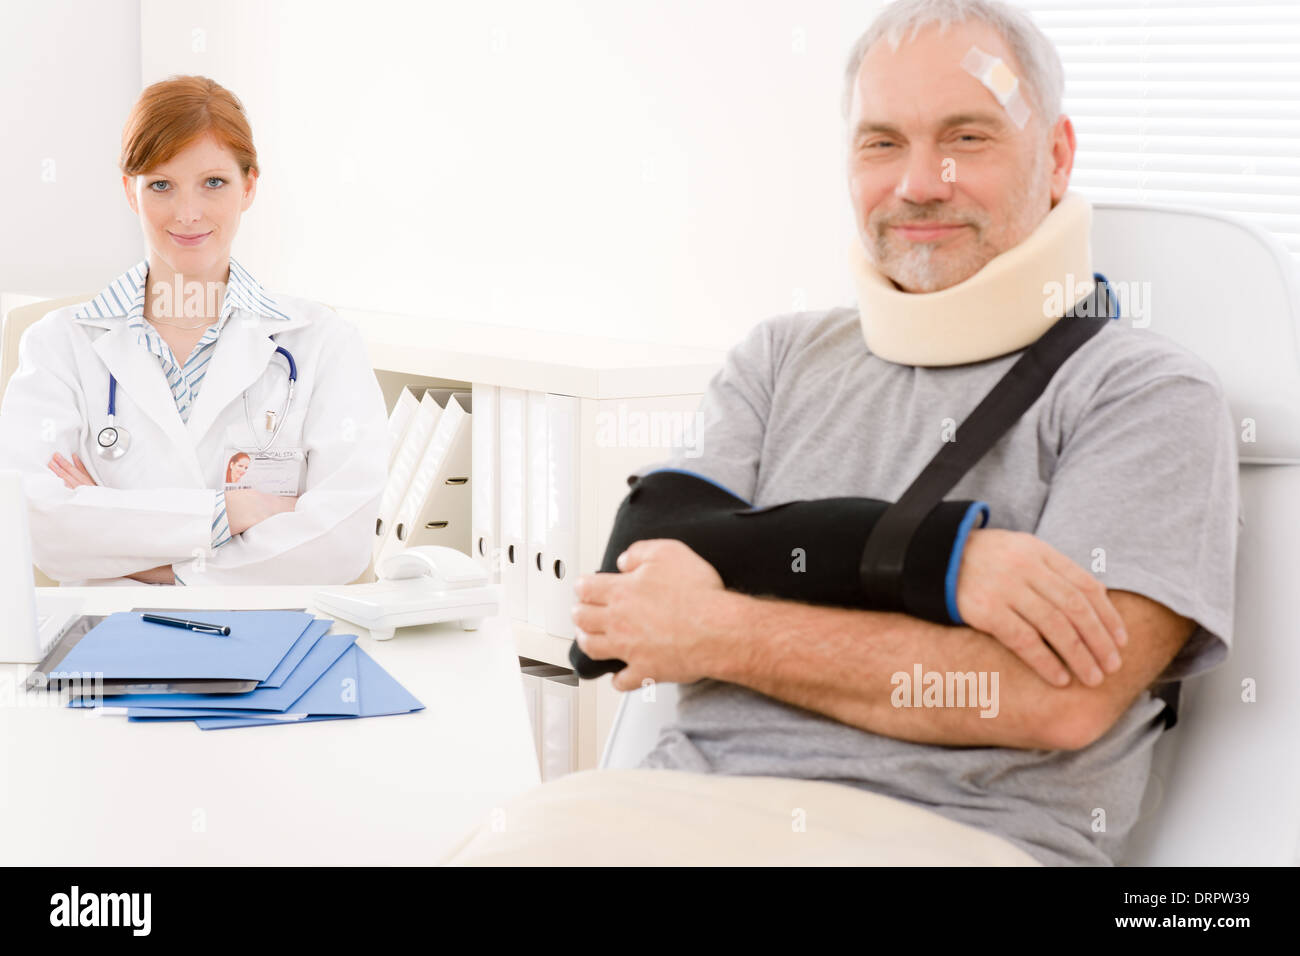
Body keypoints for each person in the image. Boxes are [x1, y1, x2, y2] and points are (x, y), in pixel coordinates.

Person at [444, 0, 1240, 866]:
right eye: (882, 142)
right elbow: (632, 581)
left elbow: (1055, 702)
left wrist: (714, 627)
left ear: (1054, 156)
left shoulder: (1145, 392)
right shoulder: (782, 355)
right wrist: (942, 561)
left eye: (968, 137)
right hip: (675, 808)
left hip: (954, 836)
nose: (919, 182)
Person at [0, 75, 387, 586]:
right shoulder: (59, 343)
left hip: (273, 637)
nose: (187, 214)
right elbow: (37, 523)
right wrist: (232, 512)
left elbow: (340, 540)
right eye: (161, 185)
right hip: (113, 639)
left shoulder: (321, 342)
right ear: (130, 192)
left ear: (249, 186)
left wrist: (150, 555)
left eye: (213, 182)